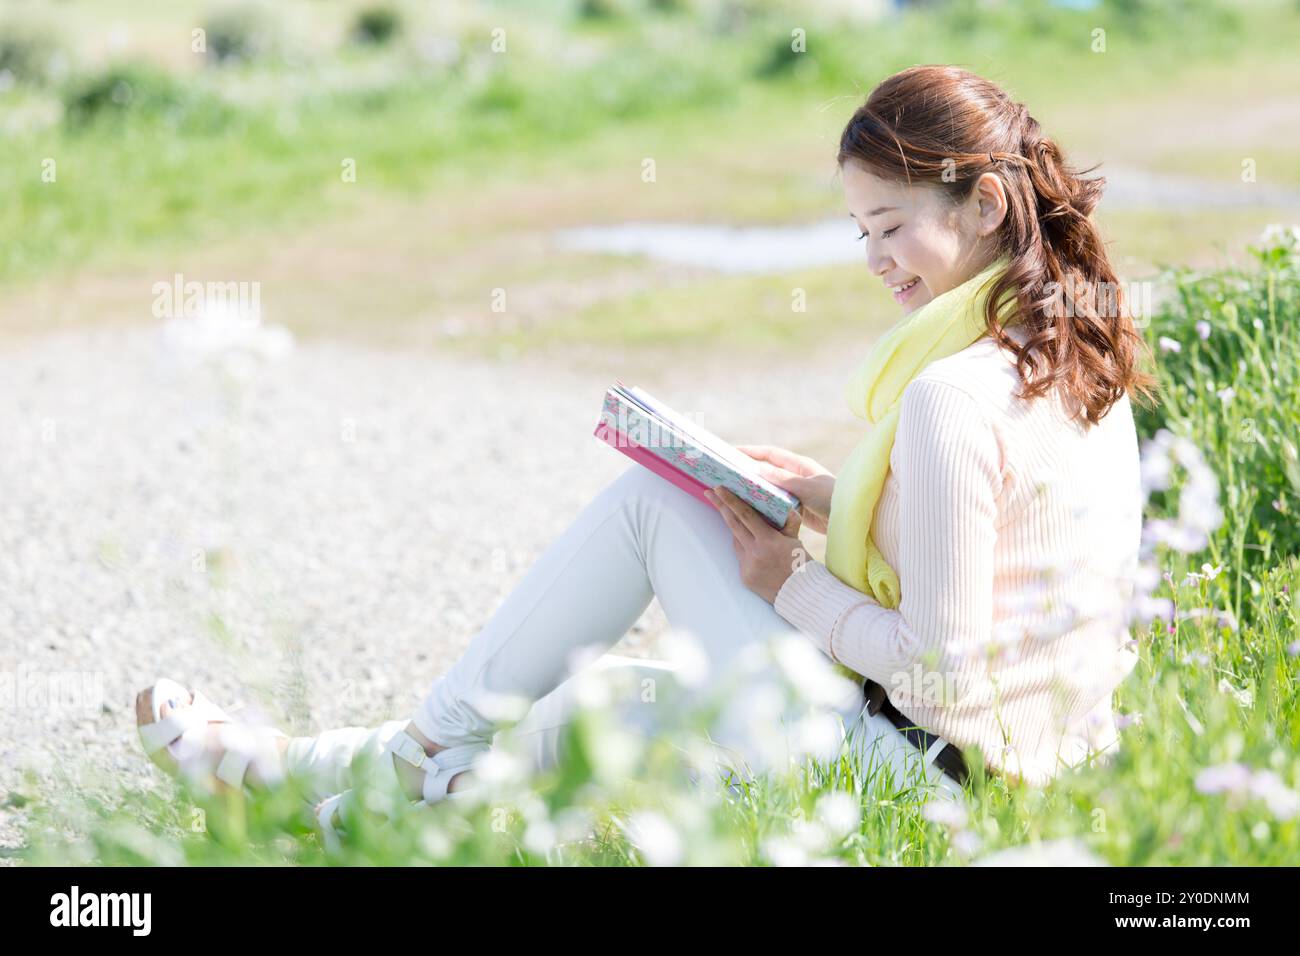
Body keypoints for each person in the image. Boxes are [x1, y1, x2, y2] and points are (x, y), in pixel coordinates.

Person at [135, 64, 1155, 838]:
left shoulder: (946, 395)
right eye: (858, 233)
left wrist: (788, 579)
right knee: (618, 698)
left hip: (926, 793)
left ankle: (396, 767)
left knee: (651, 506)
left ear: (981, 204)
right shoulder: (1069, 352)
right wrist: (822, 493)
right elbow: (995, 538)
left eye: (888, 225)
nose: (877, 260)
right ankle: (334, 788)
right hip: (1021, 796)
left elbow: (940, 674)